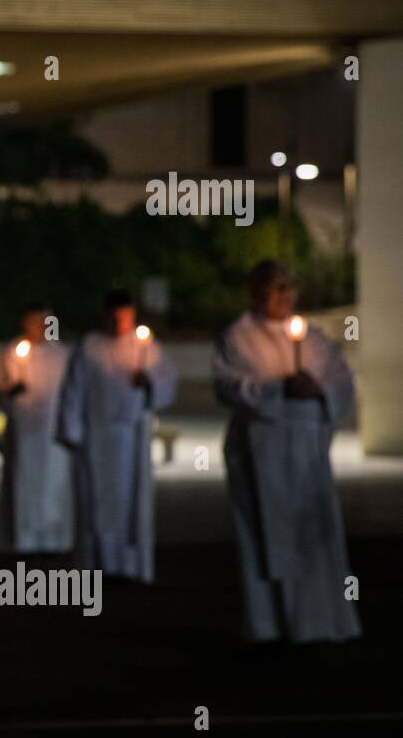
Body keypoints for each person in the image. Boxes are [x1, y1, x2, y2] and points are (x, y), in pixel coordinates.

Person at [212, 260, 360, 643]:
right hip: (262, 456)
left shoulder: (314, 338)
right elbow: (228, 386)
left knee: (315, 537)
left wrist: (318, 391)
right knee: (266, 537)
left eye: (289, 286)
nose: (283, 295)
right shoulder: (238, 336)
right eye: (274, 286)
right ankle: (269, 624)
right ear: (255, 290)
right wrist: (279, 389)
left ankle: (319, 624)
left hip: (308, 456)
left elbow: (341, 383)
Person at [58, 289, 176, 582]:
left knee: (130, 505)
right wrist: (71, 430)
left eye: (125, 316)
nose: (120, 322)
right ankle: (96, 564)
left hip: (132, 437)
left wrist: (149, 383)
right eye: (115, 316)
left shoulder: (147, 347)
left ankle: (131, 565)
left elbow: (167, 384)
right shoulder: (90, 347)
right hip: (96, 436)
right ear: (105, 315)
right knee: (96, 502)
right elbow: (73, 391)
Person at [0, 305, 73, 553]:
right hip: (23, 432)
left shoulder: (63, 355)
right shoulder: (12, 351)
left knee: (54, 483)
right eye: (31, 323)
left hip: (53, 435)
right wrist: (9, 391)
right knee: (24, 482)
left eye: (41, 323)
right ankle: (24, 539)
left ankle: (55, 538)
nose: (36, 329)